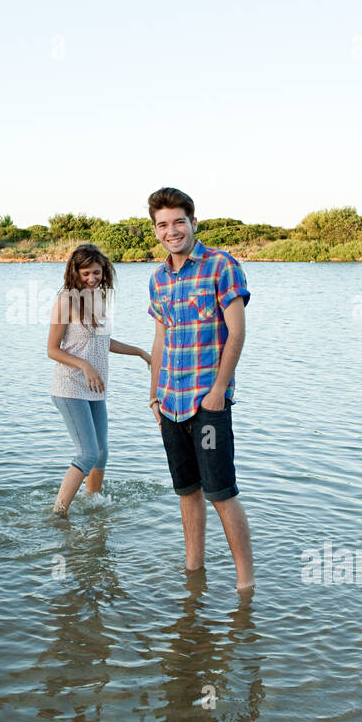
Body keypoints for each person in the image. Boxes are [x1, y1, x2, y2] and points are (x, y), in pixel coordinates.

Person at [146, 187, 255, 591]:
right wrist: (153, 396)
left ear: (193, 222)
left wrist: (218, 391)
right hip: (170, 403)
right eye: (163, 225)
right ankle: (194, 573)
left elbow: (237, 332)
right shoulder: (158, 279)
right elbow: (160, 340)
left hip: (207, 404)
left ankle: (246, 585)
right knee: (187, 492)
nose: (171, 231)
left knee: (221, 492)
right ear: (155, 230)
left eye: (178, 222)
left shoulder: (221, 266)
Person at [47, 243, 150, 516]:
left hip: (95, 389)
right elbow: (52, 350)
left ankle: (93, 503)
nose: (92, 279)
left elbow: (103, 342)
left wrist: (139, 352)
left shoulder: (99, 300)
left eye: (97, 273)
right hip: (70, 388)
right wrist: (84, 365)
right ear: (74, 274)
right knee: (87, 454)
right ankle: (58, 513)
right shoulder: (65, 302)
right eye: (85, 274)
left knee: (102, 452)